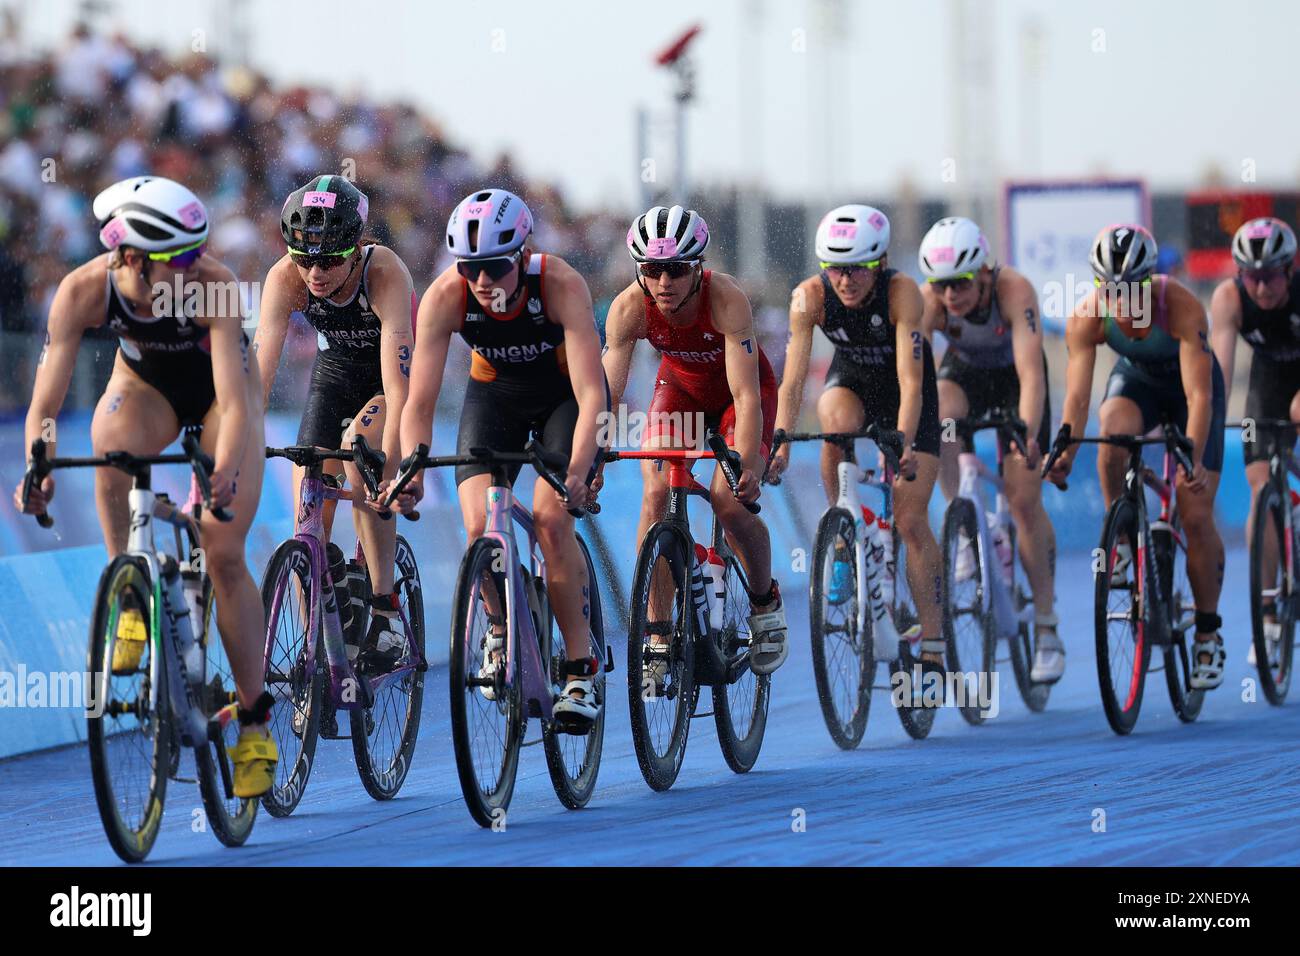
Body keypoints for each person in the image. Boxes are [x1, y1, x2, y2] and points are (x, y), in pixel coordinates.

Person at [13, 175, 276, 795]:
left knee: (224, 547)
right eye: (176, 260)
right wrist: (38, 462)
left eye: (194, 255)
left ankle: (255, 719)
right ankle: (127, 585)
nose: (191, 268)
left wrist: (223, 477)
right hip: (146, 388)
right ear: (128, 256)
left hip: (219, 397)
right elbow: (45, 402)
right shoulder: (83, 289)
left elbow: (236, 409)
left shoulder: (211, 285)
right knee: (110, 448)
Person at [388, 188, 608, 728]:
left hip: (563, 399)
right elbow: (419, 400)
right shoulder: (446, 297)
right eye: (471, 269)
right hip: (494, 399)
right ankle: (500, 624)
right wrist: (410, 467)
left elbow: (593, 394)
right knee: (477, 527)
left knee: (554, 522)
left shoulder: (559, 284)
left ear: (522, 255)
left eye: (494, 268)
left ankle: (581, 669)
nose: (483, 283)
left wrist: (580, 471)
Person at [600, 205, 788, 677]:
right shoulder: (628, 309)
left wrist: (746, 462)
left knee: (729, 502)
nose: (665, 283)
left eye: (677, 270)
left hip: (735, 398)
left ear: (698, 268)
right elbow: (605, 394)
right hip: (680, 391)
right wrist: (591, 455)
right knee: (656, 490)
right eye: (653, 270)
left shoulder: (725, 299)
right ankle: (659, 634)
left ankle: (765, 603)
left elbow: (746, 396)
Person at [768, 203, 945, 690]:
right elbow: (794, 381)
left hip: (909, 396)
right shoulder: (808, 298)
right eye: (836, 269)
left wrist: (904, 442)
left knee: (909, 518)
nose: (845, 281)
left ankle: (932, 644)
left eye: (858, 269)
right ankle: (843, 527)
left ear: (881, 263)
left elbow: (911, 381)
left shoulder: (902, 293)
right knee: (833, 419)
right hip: (855, 383)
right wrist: (780, 439)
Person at [1047, 223, 1228, 689]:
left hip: (1192, 392)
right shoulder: (1088, 316)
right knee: (1112, 431)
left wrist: (1193, 456)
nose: (1123, 299)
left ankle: (1207, 632)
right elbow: (1079, 400)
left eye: (1134, 288)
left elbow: (1200, 396)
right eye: (1112, 289)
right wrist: (1064, 447)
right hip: (1140, 383)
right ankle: (1123, 534)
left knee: (1195, 509)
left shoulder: (1181, 306)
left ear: (1152, 281)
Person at [254, 174, 416, 675]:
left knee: (360, 453)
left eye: (327, 260)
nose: (315, 273)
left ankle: (386, 608)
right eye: (304, 259)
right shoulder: (285, 277)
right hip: (336, 374)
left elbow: (401, 383)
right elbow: (259, 370)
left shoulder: (384, 271)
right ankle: (317, 637)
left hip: (387, 380)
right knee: (308, 500)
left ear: (357, 246)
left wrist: (391, 465)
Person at [917, 216, 1062, 683]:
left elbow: (1033, 372)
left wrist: (1029, 431)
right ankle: (962, 520)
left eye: (960, 283)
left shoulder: (1013, 290)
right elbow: (913, 374)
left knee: (1023, 499)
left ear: (983, 272)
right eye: (941, 285)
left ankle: (1046, 627)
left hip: (1016, 382)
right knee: (937, 417)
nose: (951, 296)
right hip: (964, 377)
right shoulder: (931, 301)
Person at [1209, 216, 1300, 666]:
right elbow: (1220, 373)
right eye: (1253, 277)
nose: (1262, 288)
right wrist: (1209, 423)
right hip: (1268, 383)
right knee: (1261, 488)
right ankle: (1267, 612)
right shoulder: (1230, 299)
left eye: (1271, 277)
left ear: (1290, 270)